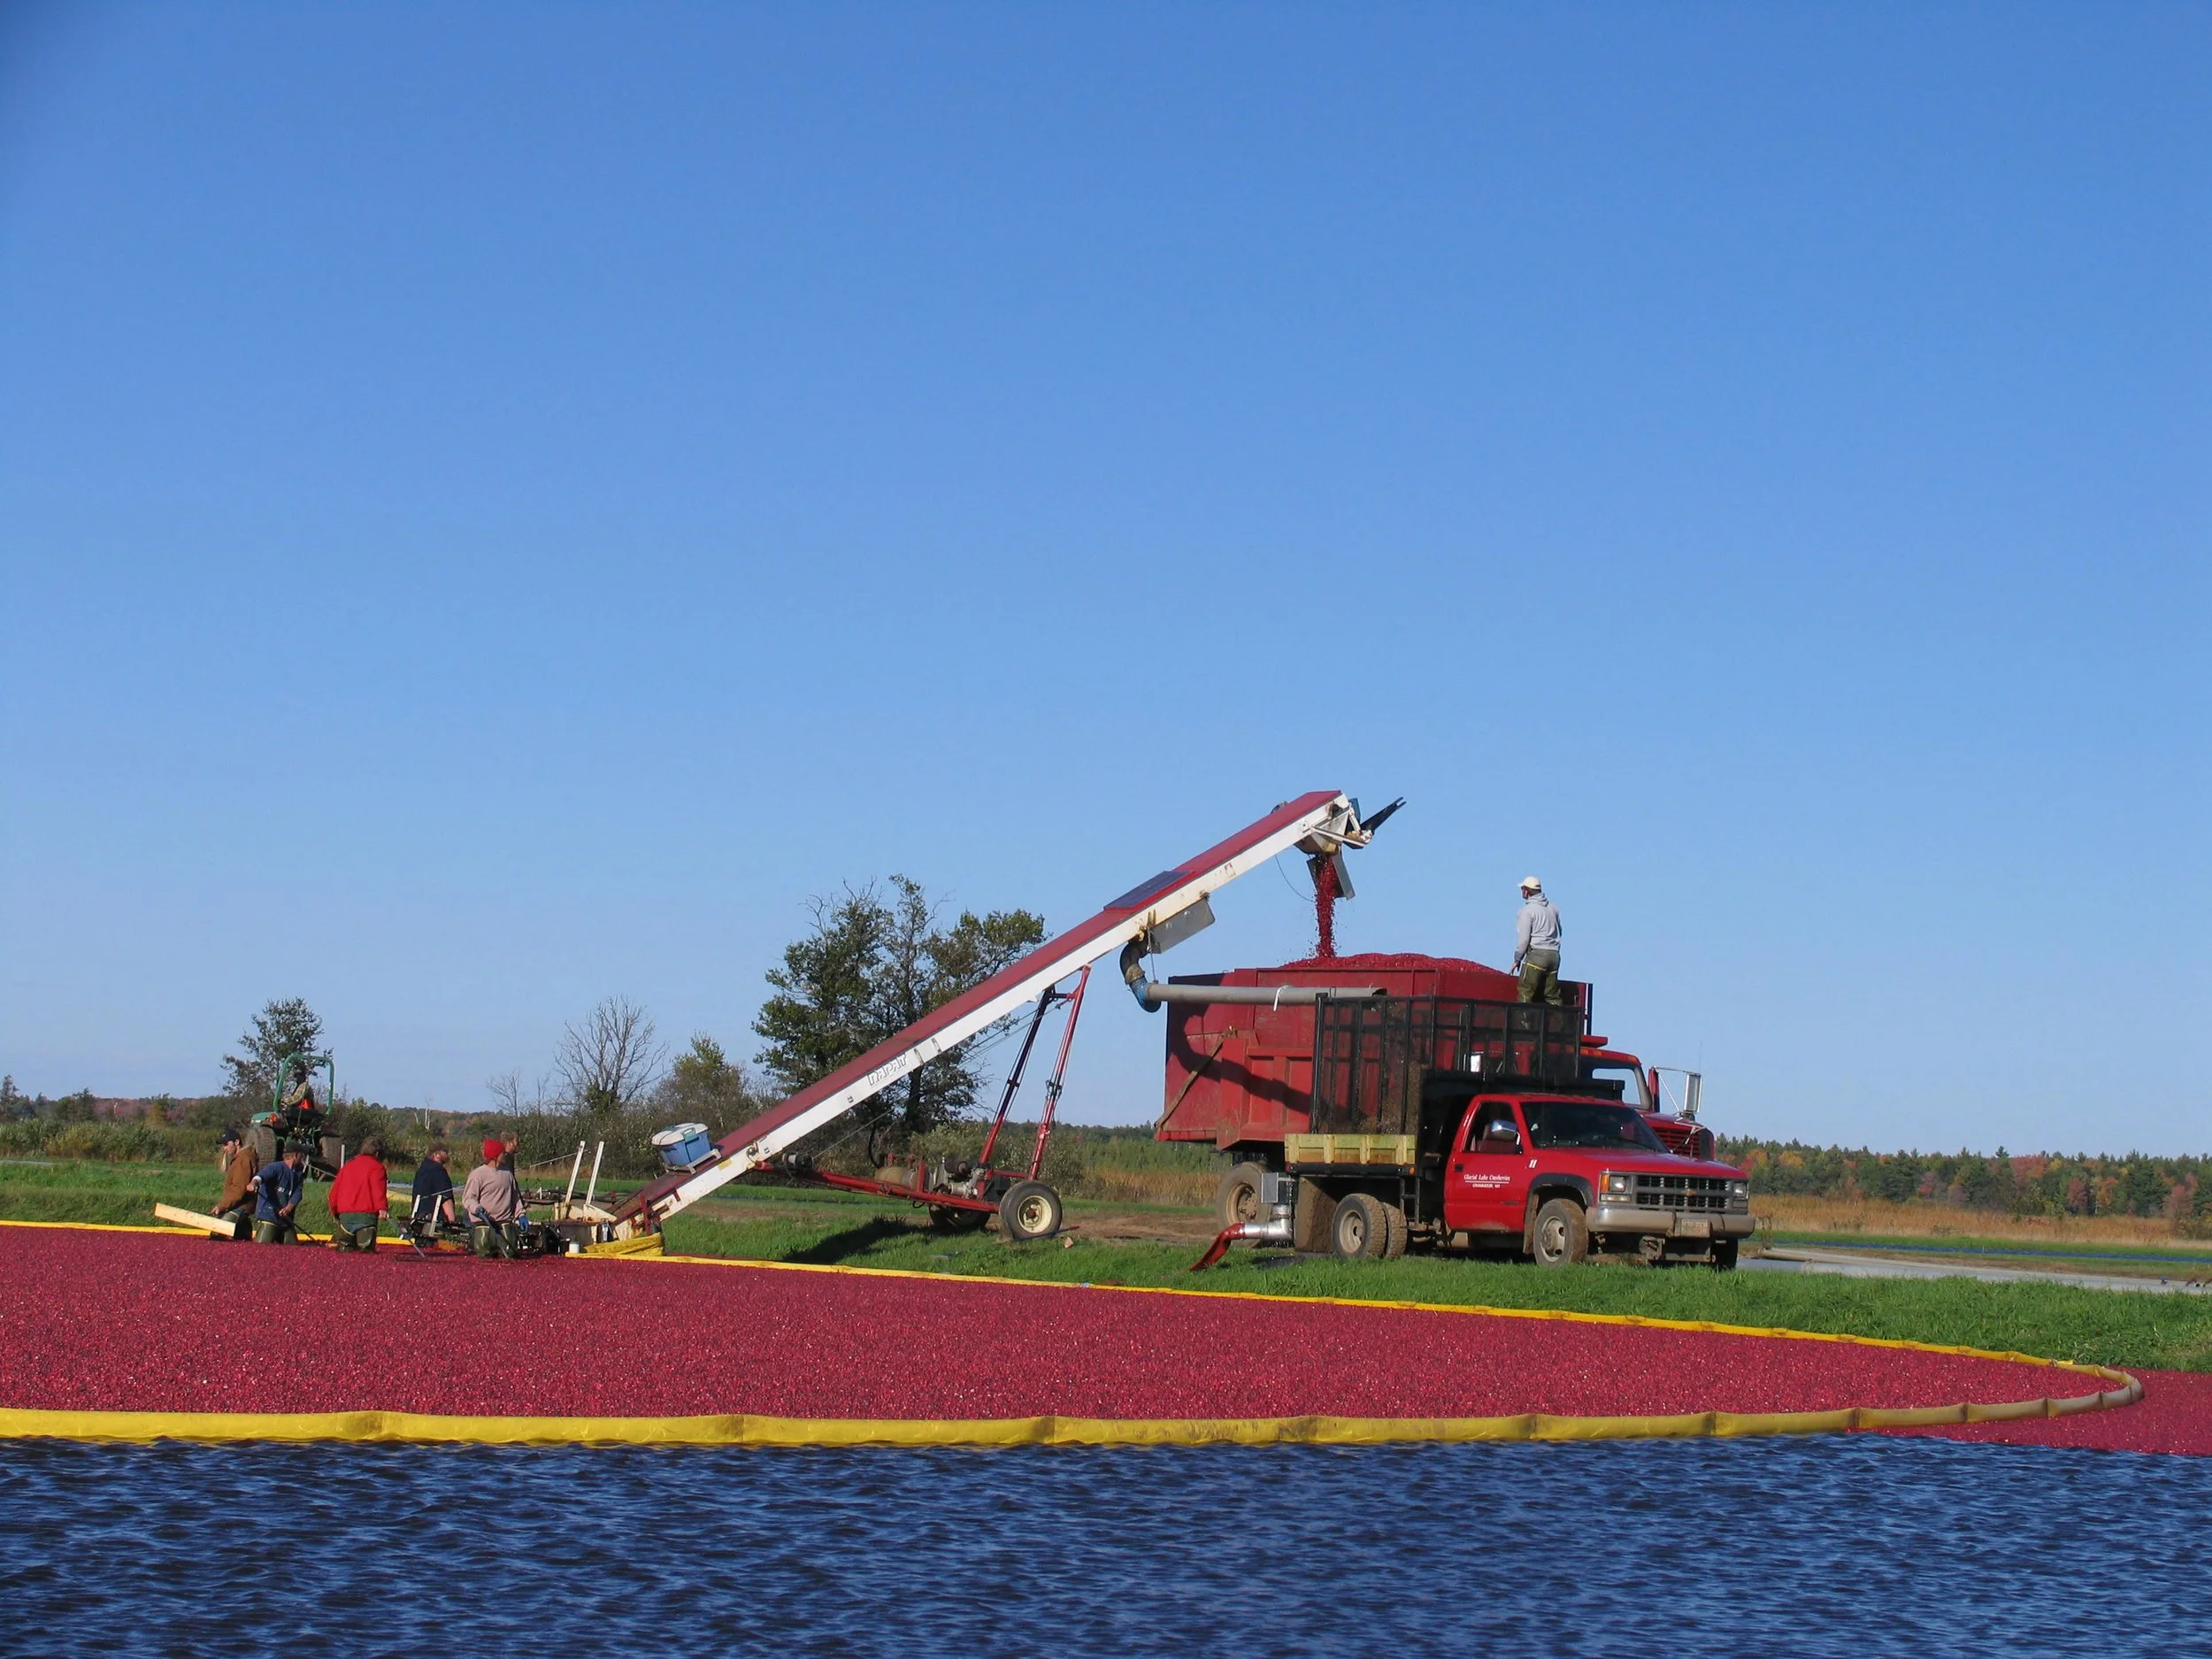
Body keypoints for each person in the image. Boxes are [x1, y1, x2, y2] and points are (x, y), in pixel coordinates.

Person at [326, 1136, 388, 1252]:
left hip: (345, 1217)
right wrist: (382, 1208)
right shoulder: (377, 1168)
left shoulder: (347, 1166)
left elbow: (334, 1193)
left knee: (344, 1253)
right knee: (365, 1254)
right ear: (377, 1153)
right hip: (366, 1218)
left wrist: (334, 1212)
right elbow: (378, 1190)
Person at [463, 1137, 522, 1256]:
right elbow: (469, 1198)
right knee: (484, 1254)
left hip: (504, 1224)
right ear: (495, 1156)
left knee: (510, 1254)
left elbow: (515, 1197)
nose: (504, 1155)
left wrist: (521, 1214)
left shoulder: (508, 1174)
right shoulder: (478, 1174)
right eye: (502, 1153)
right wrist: (477, 1208)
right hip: (484, 1224)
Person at [1512, 876, 1564, 1006]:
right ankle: (1560, 1024)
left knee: (1525, 992)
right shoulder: (1553, 908)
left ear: (1526, 891)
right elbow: (1560, 931)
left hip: (1537, 957)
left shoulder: (1527, 911)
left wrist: (1517, 959)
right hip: (1554, 956)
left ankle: (1523, 1025)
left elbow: (1524, 940)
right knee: (1552, 995)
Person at [252, 1142, 308, 1244]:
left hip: (286, 1218)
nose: (302, 1158)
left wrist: (289, 1208)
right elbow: (260, 1177)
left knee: (292, 1245)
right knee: (262, 1245)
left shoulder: (298, 1174)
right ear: (295, 1155)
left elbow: (298, 1193)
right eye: (301, 1155)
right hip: (269, 1215)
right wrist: (253, 1184)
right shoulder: (275, 1167)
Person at [216, 1127, 259, 1233]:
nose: (225, 1148)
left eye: (226, 1144)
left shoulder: (242, 1159)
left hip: (241, 1205)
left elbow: (238, 1189)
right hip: (240, 1205)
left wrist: (221, 1206)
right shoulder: (241, 1158)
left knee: (218, 1233)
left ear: (236, 1142)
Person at [411, 1141, 457, 1234]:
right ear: (436, 1155)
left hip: (418, 1218)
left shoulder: (422, 1169)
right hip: (434, 1221)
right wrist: (453, 1224)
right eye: (445, 1152)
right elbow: (445, 1199)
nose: (448, 1154)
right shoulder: (439, 1171)